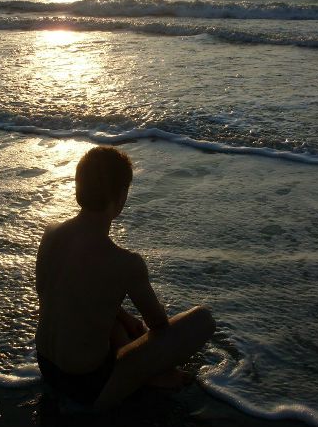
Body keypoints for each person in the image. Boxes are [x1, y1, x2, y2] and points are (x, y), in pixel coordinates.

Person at [35, 146, 215, 411]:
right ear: (121, 196)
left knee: (116, 320)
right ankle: (148, 378)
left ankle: (138, 370)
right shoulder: (125, 263)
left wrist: (123, 317)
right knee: (202, 320)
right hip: (89, 387)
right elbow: (158, 325)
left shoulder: (51, 233)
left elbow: (59, 294)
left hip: (48, 367)